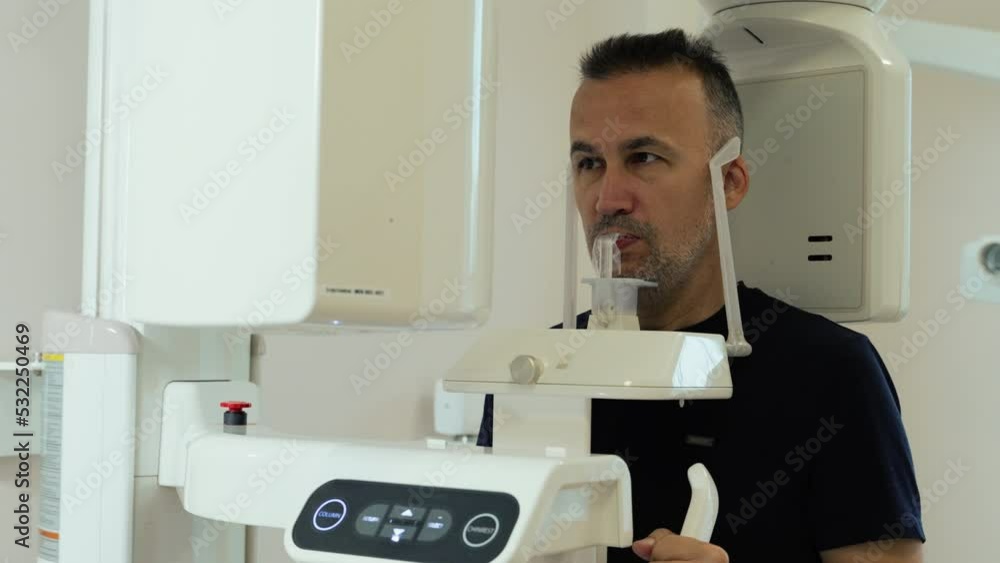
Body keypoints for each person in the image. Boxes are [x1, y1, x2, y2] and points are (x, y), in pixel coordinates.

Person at [477, 29, 926, 563]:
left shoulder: (830, 373)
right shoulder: (537, 377)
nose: (607, 199)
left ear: (729, 182)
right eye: (589, 163)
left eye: (642, 157)